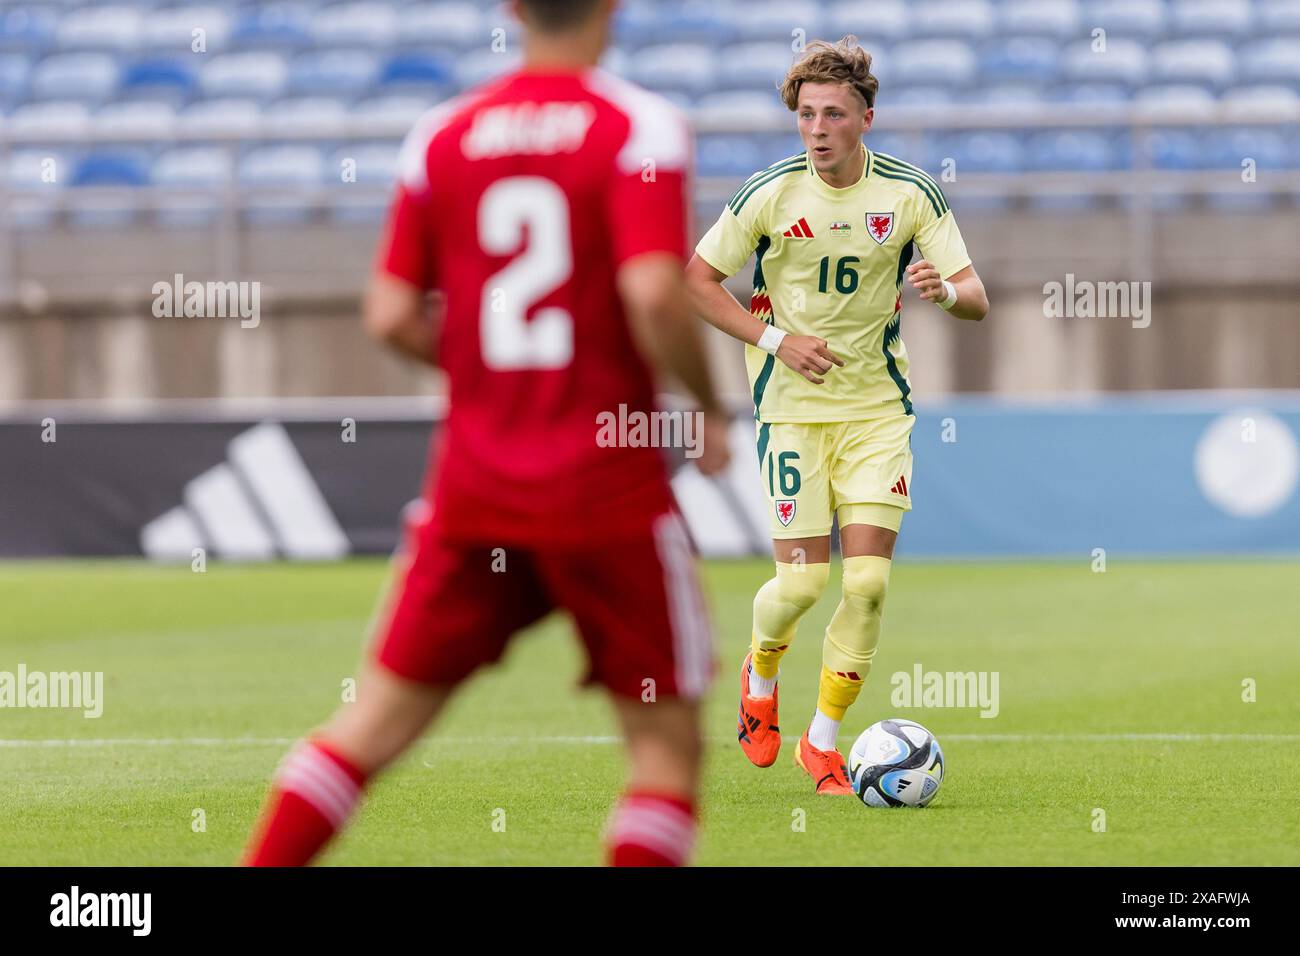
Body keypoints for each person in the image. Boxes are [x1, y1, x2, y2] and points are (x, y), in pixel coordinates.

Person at [243, 0, 730, 866]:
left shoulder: (441, 136)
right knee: (662, 751)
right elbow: (654, 292)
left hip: (475, 488)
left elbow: (390, 313)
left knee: (371, 727)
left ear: (512, 7)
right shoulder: (639, 127)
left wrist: (485, 372)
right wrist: (708, 405)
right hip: (602, 487)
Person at [686, 36, 988, 794]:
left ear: (866, 118)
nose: (816, 129)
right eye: (806, 115)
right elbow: (693, 281)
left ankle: (821, 742)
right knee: (798, 588)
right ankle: (761, 674)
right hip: (790, 413)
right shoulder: (771, 194)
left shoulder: (910, 193)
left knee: (868, 585)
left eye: (833, 115)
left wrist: (943, 293)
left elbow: (975, 295)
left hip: (878, 412)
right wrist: (775, 340)